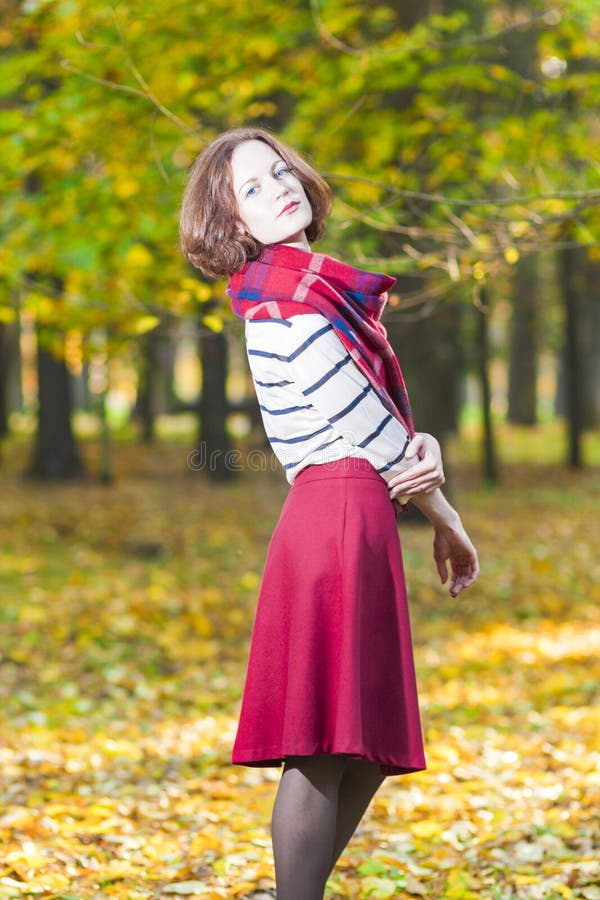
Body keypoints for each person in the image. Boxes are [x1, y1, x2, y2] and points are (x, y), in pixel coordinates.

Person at [179, 127, 479, 900]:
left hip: (350, 512)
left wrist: (423, 448)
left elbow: (379, 423)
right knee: (322, 746)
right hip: (337, 511)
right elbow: (374, 431)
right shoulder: (289, 304)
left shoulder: (307, 292)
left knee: (365, 740)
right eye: (251, 188)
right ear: (233, 224)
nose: (278, 185)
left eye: (279, 170)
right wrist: (446, 517)